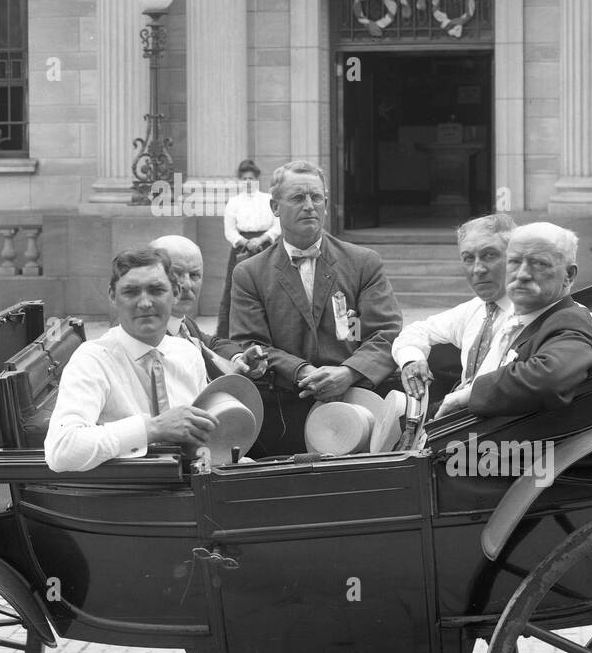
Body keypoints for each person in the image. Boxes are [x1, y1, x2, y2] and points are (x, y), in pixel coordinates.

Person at [228, 160, 402, 456]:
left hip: (357, 409)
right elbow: (250, 344)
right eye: (297, 198)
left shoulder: (363, 263)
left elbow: (386, 335)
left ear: (325, 203)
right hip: (286, 412)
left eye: (316, 197)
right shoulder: (250, 273)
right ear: (275, 207)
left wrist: (348, 372)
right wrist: (301, 371)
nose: (309, 205)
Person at [393, 214, 592, 401]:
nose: (478, 269)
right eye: (468, 258)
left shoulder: (555, 314)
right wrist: (412, 360)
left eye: (490, 255)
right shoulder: (475, 309)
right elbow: (416, 332)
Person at [45, 247, 218, 473]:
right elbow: (62, 449)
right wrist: (152, 428)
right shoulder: (93, 360)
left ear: (175, 293)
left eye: (156, 290)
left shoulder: (187, 353)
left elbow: (203, 439)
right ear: (112, 296)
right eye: (131, 292)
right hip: (128, 497)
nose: (145, 303)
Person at [436, 222, 592, 418]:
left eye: (539, 263)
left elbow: (549, 377)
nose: (522, 274)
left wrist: (466, 396)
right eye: (514, 262)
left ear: (569, 275)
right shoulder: (510, 314)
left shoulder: (570, 322)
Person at [147, 234, 268, 381]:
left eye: (194, 275)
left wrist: (238, 358)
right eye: (176, 274)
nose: (187, 285)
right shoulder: (146, 337)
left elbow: (211, 343)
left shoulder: (184, 324)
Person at [215, 160, 282, 339]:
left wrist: (261, 239)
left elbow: (278, 225)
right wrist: (245, 242)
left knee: (270, 287)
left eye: (251, 178)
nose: (248, 182)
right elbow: (229, 231)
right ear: (240, 180)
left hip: (266, 246)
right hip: (241, 249)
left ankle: (273, 333)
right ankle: (227, 335)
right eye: (244, 179)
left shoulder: (268, 199)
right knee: (234, 288)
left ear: (257, 178)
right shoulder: (234, 202)